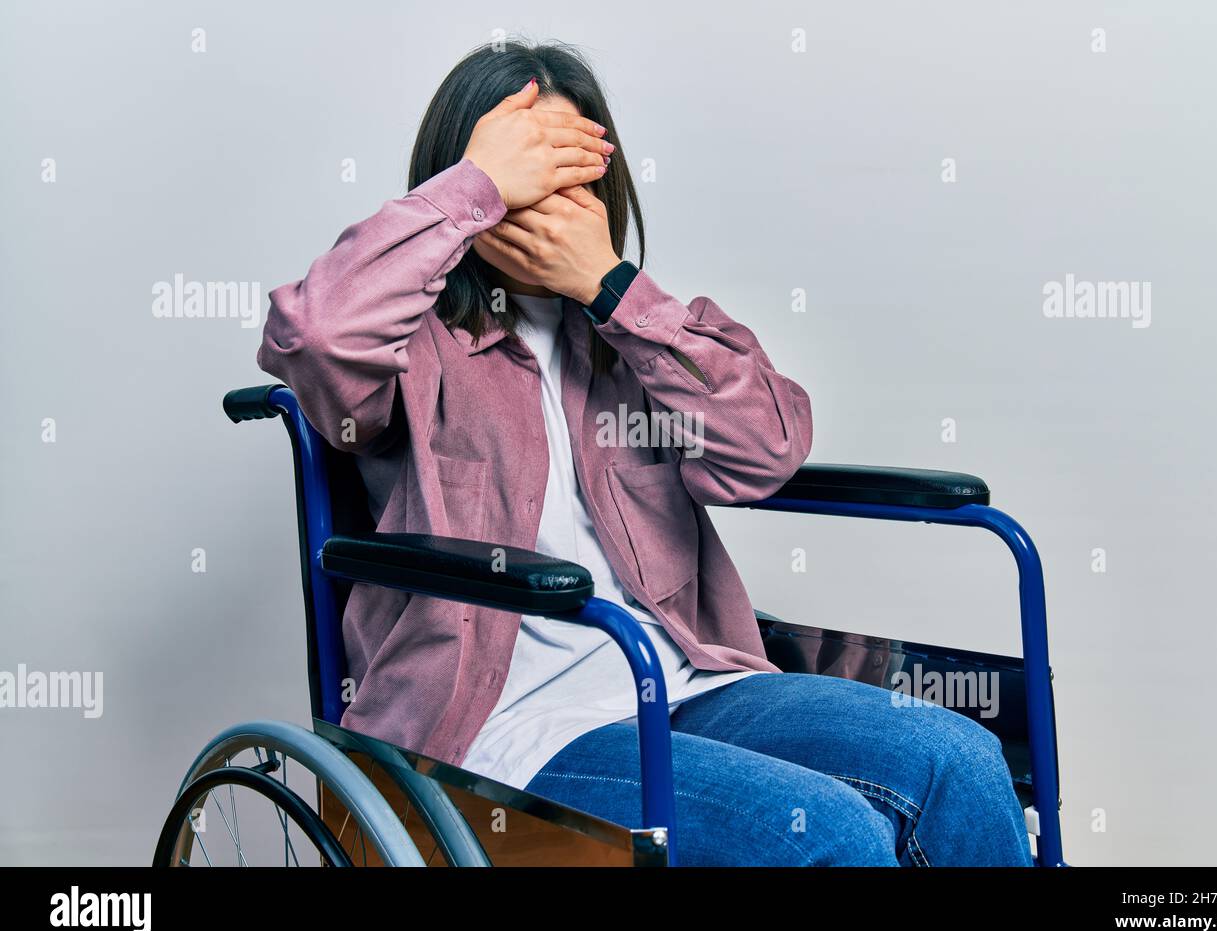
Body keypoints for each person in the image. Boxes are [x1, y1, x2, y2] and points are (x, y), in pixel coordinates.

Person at [257, 39, 1032, 866]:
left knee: (962, 760)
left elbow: (764, 450)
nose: (548, 189)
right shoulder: (413, 348)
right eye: (526, 161)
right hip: (503, 728)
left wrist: (614, 290)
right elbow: (313, 332)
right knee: (831, 834)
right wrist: (472, 192)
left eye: (571, 164)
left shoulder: (639, 336)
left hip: (691, 682)